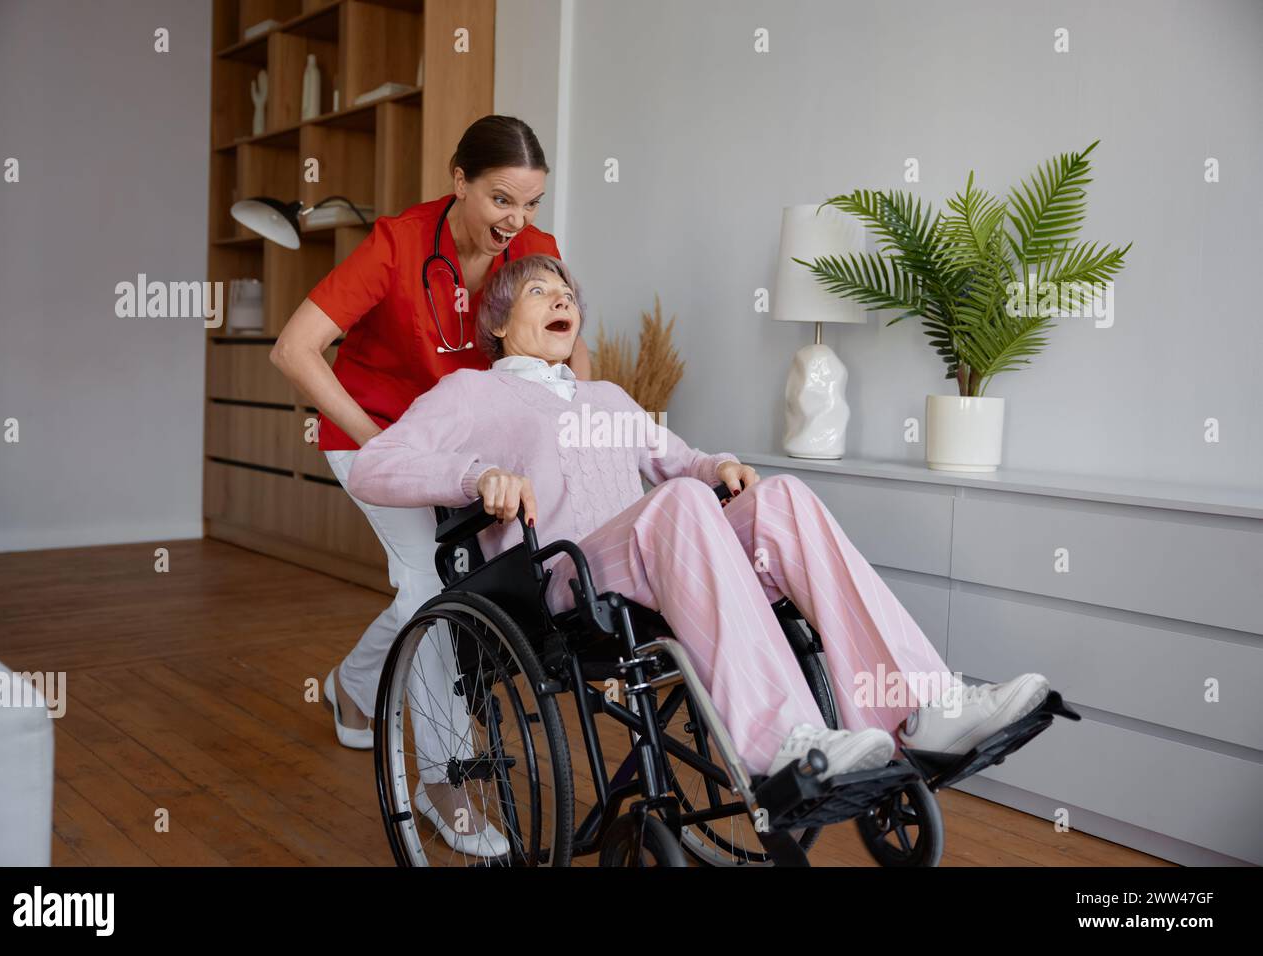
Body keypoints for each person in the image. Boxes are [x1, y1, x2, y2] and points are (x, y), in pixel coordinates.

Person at [346, 254, 1052, 850]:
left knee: (782, 498)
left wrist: (719, 468)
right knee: (679, 507)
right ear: (497, 322)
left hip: (657, 560)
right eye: (540, 291)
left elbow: (680, 461)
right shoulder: (472, 393)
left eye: (568, 293)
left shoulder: (610, 398)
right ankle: (782, 744)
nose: (563, 298)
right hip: (566, 578)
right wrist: (474, 477)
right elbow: (380, 466)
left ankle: (922, 706)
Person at [270, 117, 588, 853]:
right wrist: (385, 444)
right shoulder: (396, 243)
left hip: (462, 444)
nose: (518, 221)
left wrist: (580, 430)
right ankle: (444, 781)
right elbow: (296, 348)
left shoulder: (535, 250)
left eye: (532, 203)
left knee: (448, 583)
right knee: (433, 588)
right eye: (502, 199)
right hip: (371, 434)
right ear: (458, 181)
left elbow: (562, 347)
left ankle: (354, 687)